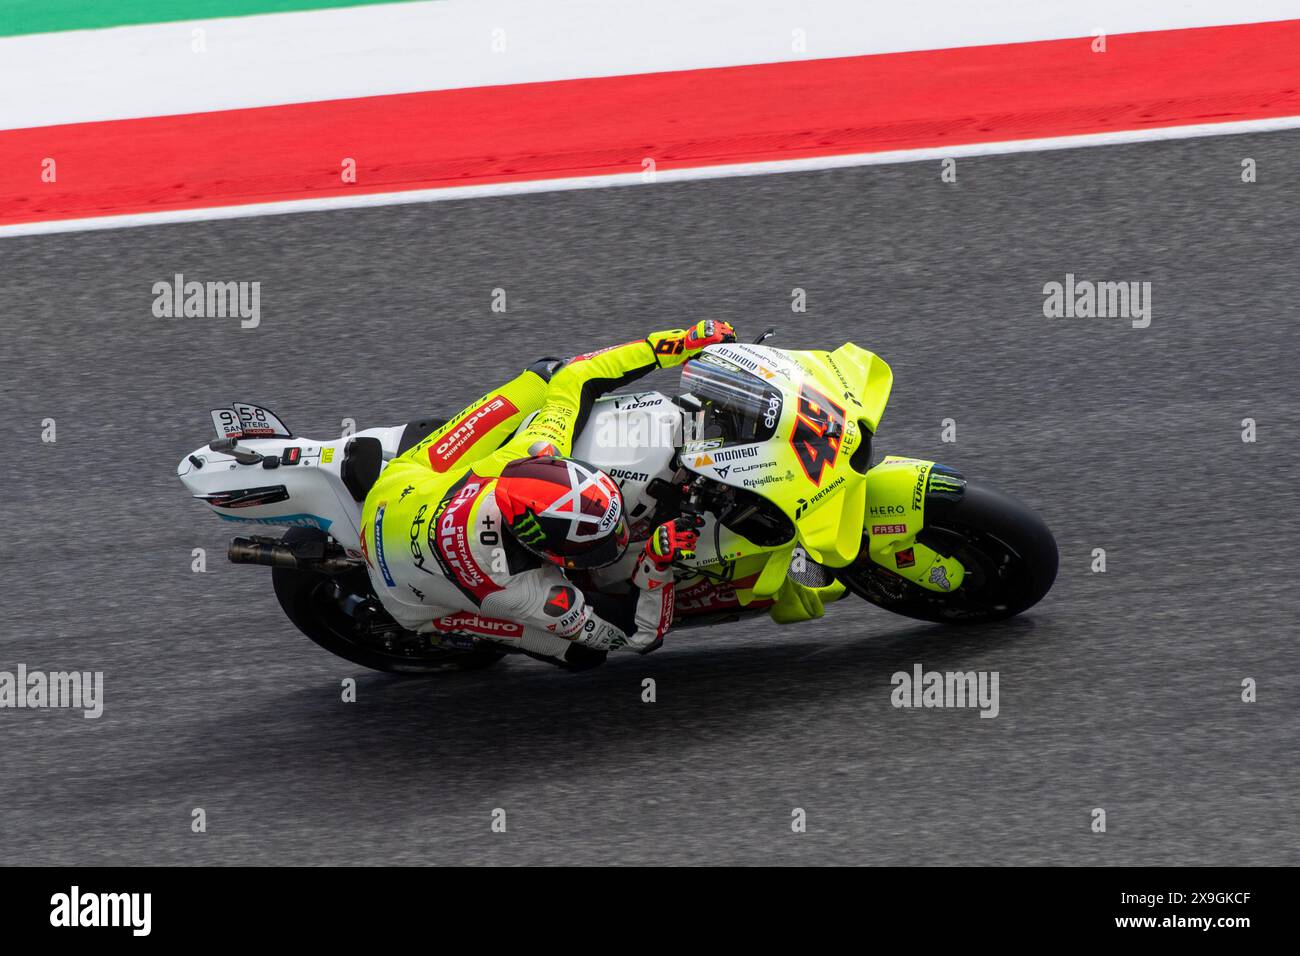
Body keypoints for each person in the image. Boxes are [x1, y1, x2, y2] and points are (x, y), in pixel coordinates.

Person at [359, 320, 737, 669]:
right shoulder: (527, 592)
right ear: (545, 555)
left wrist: (678, 344)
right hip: (402, 589)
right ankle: (441, 627)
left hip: (402, 486)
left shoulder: (529, 451)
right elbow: (636, 635)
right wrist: (655, 561)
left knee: (547, 375)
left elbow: (577, 375)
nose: (621, 538)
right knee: (584, 653)